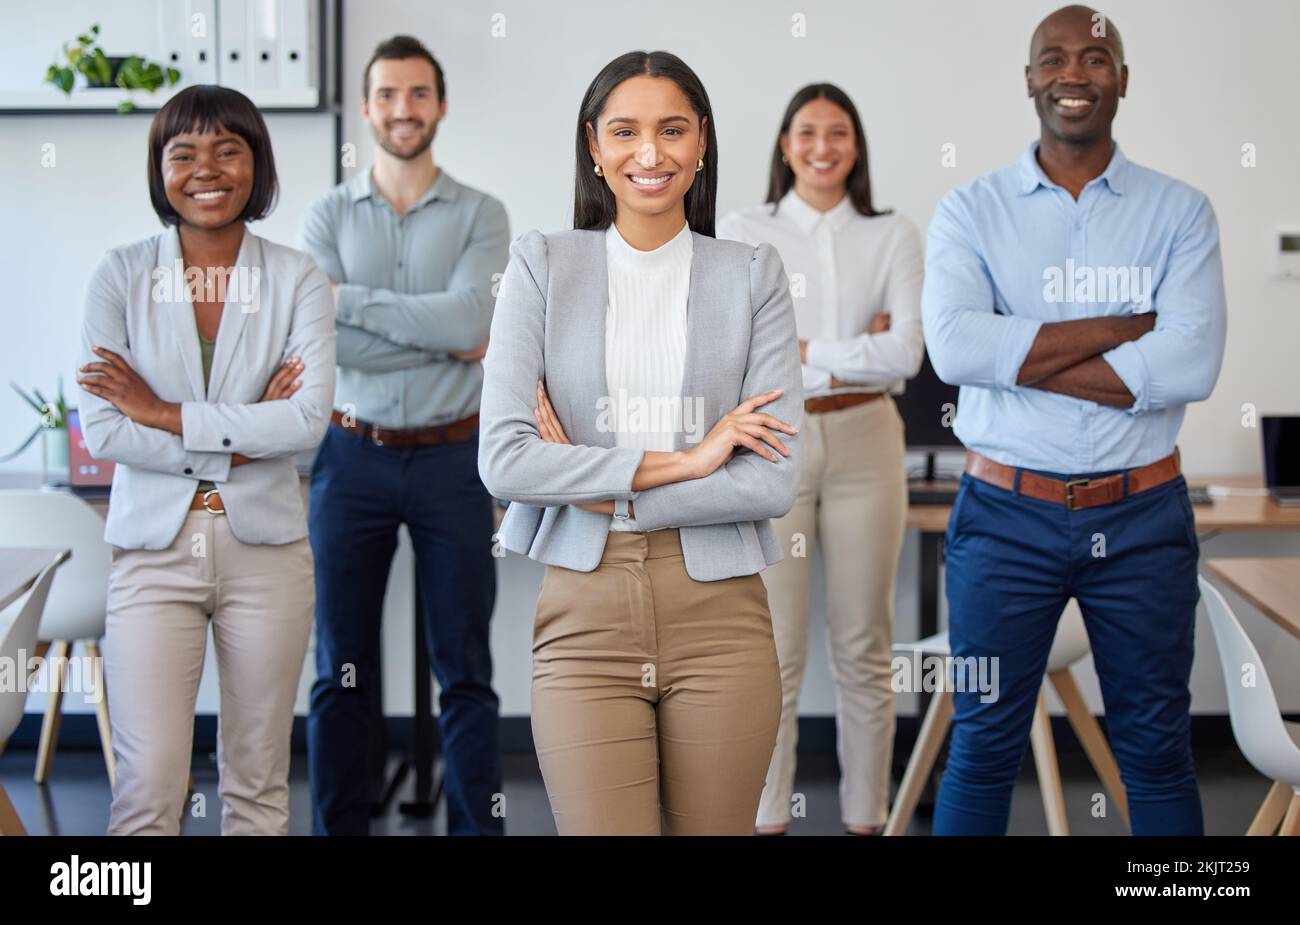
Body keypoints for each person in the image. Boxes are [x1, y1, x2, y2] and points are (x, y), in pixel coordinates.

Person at [477, 50, 803, 835]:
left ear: (701, 144)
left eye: (672, 130)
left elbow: (769, 482)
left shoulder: (753, 272)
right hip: (584, 611)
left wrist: (587, 478)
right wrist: (694, 458)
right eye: (625, 131)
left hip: (720, 612)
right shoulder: (542, 264)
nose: (649, 153)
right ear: (594, 145)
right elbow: (505, 460)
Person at [921, 4, 1226, 835]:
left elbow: (1191, 367)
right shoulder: (970, 210)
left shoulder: (1182, 211)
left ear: (1122, 79)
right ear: (1030, 79)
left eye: (1095, 58)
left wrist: (1020, 354)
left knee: (1157, 747)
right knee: (983, 739)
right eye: (1053, 59)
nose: (1074, 74)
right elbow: (953, 348)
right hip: (1003, 516)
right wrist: (1131, 330)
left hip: (1142, 517)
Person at [76, 85, 336, 835]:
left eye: (229, 147)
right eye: (182, 152)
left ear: (257, 162)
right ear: (159, 169)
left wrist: (159, 410)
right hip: (153, 551)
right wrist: (253, 426)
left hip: (267, 553)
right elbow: (105, 430)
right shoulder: (118, 275)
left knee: (257, 780)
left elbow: (308, 423)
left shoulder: (298, 278)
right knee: (148, 784)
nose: (206, 168)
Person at [299, 35, 510, 836]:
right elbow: (319, 340)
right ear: (365, 108)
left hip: (455, 456)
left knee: (464, 670)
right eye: (387, 94)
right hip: (349, 454)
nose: (403, 109)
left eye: (418, 94)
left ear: (441, 105)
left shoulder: (481, 213)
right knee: (339, 669)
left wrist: (347, 297)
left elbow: (474, 322)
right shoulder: (326, 212)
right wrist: (437, 332)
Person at [718, 83, 923, 835]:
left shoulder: (893, 232)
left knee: (864, 640)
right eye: (807, 132)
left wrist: (804, 349)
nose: (823, 147)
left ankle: (867, 820)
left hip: (869, 437)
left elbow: (906, 351)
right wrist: (850, 351)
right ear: (784, 144)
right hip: (776, 436)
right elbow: (737, 351)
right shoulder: (744, 229)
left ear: (856, 146)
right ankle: (768, 820)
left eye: (839, 133)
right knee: (771, 645)